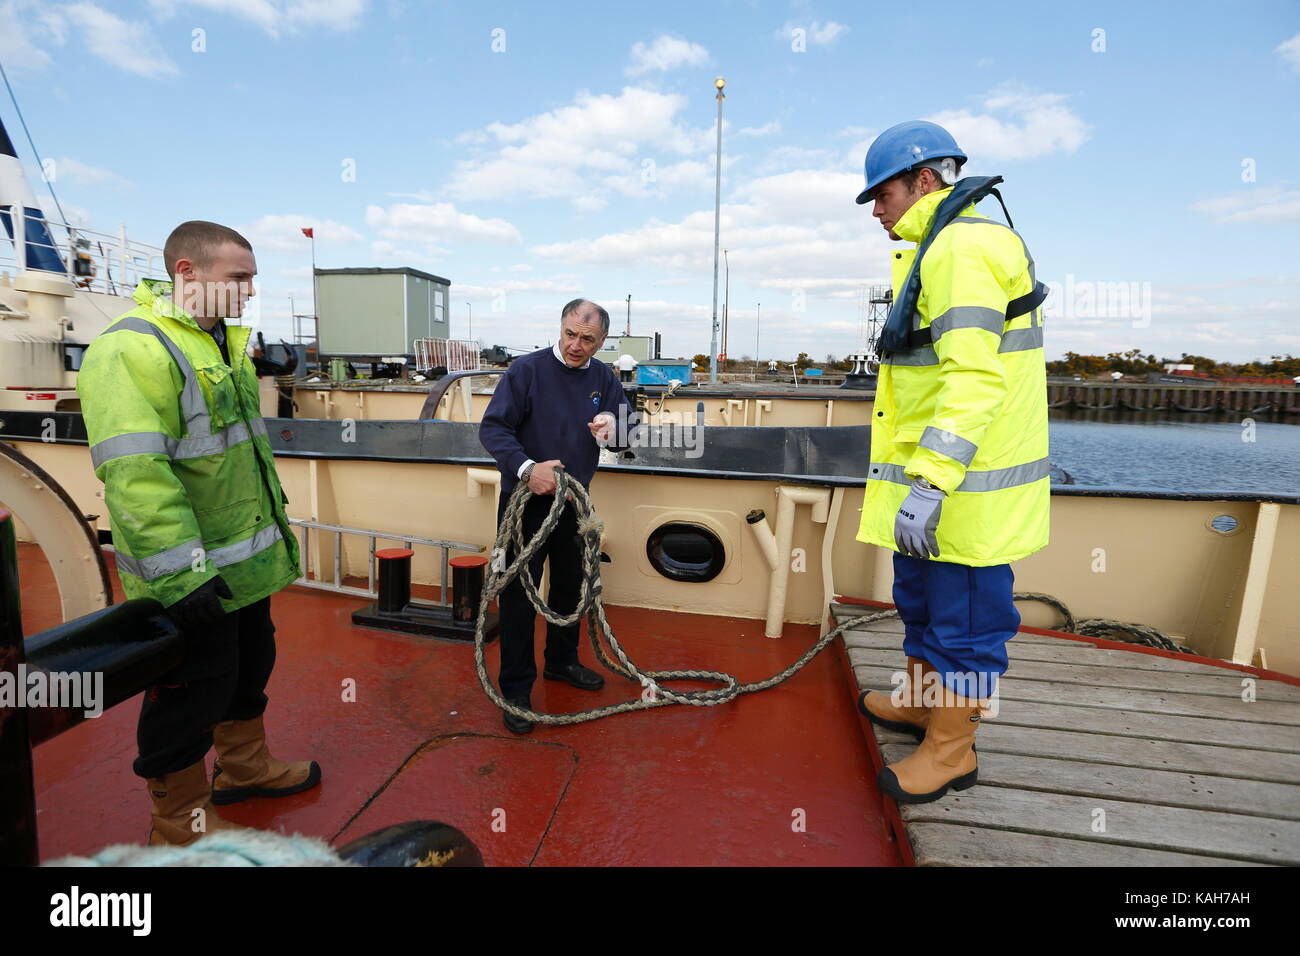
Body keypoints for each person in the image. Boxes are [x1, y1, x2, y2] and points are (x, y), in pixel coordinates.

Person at [76, 220, 319, 845]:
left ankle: (244, 768)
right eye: (239, 277)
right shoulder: (131, 349)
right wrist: (183, 575)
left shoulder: (221, 344)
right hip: (191, 572)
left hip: (245, 564)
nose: (250, 291)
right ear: (187, 272)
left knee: (247, 667)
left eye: (252, 278)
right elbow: (136, 473)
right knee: (189, 692)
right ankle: (177, 825)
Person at [852, 121, 1049, 803]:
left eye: (882, 195)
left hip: (966, 493)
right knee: (922, 606)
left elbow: (974, 379)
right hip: (937, 487)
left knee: (965, 622)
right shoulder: (936, 248)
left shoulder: (961, 250)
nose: (877, 210)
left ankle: (952, 749)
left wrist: (933, 481)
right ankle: (920, 704)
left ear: (925, 181)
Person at [479, 299, 631, 734]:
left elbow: (628, 425)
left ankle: (562, 662)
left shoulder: (603, 377)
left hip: (575, 503)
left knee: (570, 585)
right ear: (560, 327)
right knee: (518, 597)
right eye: (570, 334)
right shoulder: (525, 371)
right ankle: (516, 688)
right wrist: (529, 469)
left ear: (602, 341)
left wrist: (613, 426)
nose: (575, 345)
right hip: (523, 503)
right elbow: (494, 428)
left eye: (587, 339)